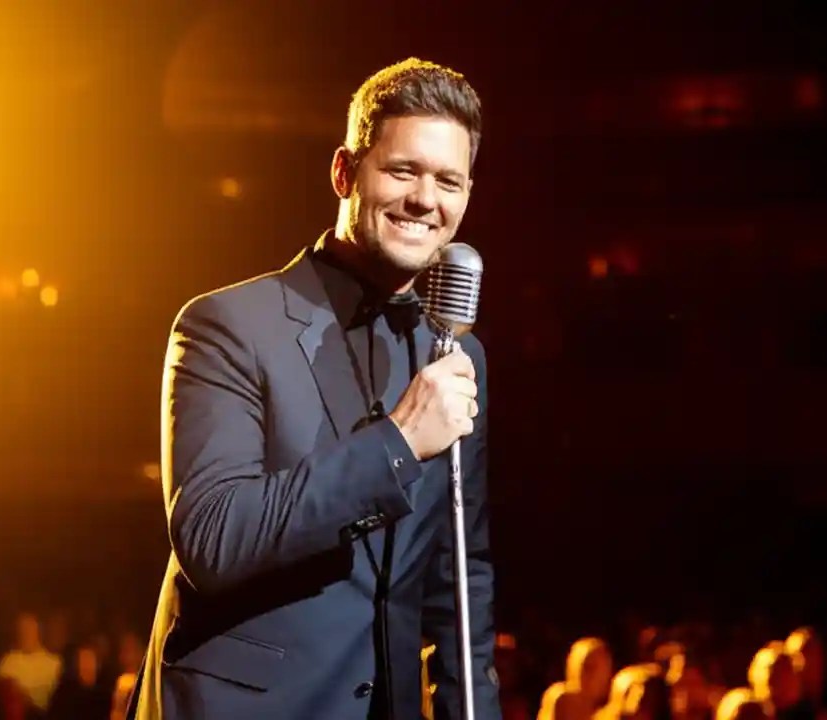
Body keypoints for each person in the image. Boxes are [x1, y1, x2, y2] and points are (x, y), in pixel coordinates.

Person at [128, 57, 500, 719]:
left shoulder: (455, 354)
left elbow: (458, 581)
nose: (425, 199)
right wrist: (397, 443)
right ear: (344, 172)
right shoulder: (228, 324)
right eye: (403, 171)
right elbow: (214, 538)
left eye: (448, 180)